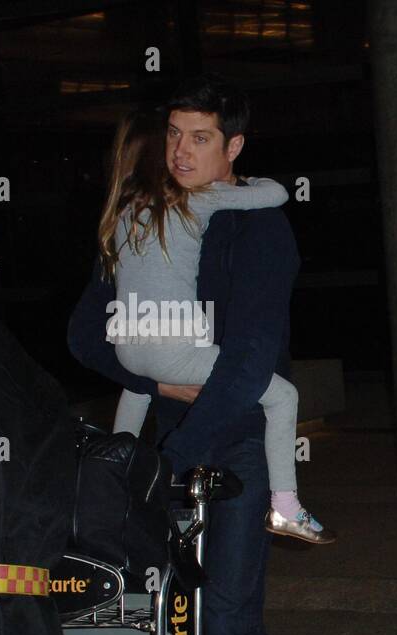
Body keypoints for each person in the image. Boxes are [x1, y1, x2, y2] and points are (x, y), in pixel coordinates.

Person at [68, 74, 332, 635]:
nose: (182, 151)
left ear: (234, 147)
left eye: (202, 137)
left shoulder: (259, 231)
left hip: (238, 441)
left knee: (222, 619)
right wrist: (154, 384)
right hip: (167, 432)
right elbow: (87, 333)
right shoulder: (147, 219)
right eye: (176, 134)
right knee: (180, 615)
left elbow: (250, 361)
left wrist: (182, 447)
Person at [98, 109, 334, 545]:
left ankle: (114, 482)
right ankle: (285, 507)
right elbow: (276, 194)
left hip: (129, 348)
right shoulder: (200, 199)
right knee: (283, 395)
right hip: (171, 348)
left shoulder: (124, 210)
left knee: (139, 388)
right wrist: (236, 184)